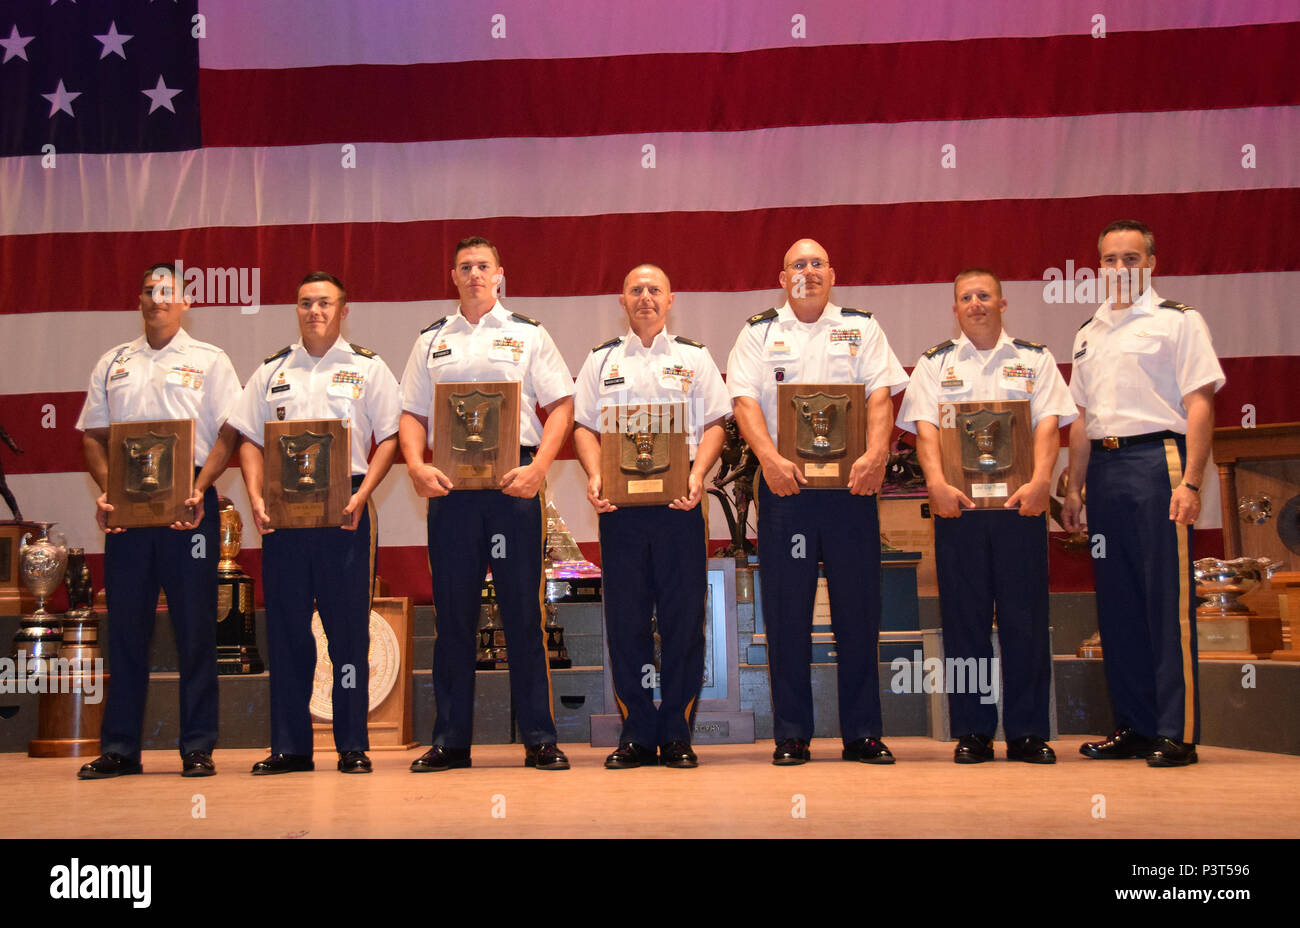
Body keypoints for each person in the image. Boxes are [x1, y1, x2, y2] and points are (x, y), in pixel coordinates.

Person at [726, 238, 908, 765]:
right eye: (797, 265)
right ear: (783, 278)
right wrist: (768, 460)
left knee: (858, 611)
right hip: (788, 492)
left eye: (816, 263)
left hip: (852, 491)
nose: (807, 271)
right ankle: (792, 734)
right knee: (787, 614)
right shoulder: (758, 331)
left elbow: (879, 395)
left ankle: (863, 733)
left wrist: (876, 454)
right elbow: (743, 402)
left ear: (832, 273)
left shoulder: (862, 327)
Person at [399, 236, 575, 771]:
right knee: (454, 617)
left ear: (500, 273)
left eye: (484, 266)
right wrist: (414, 464)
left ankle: (539, 737)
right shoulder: (431, 340)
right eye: (465, 267)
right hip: (450, 491)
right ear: (452, 275)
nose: (475, 274)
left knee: (523, 611)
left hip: (513, 483)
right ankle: (451, 740)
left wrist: (540, 466)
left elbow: (563, 404)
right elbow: (411, 414)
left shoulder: (528, 334)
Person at [897, 268, 1077, 764]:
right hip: (960, 510)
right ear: (954, 309)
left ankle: (1027, 732)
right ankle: (973, 731)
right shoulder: (936, 364)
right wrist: (935, 484)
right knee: (963, 622)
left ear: (1002, 303)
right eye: (965, 297)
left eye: (984, 295)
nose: (975, 303)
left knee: (1025, 619)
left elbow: (1047, 426)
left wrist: (1043, 481)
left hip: (1022, 507)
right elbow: (926, 429)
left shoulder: (1035, 360)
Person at [1062, 220, 1224, 768]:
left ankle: (1176, 731)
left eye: (1132, 259)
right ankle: (1132, 725)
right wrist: (1075, 489)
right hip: (1104, 471)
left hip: (1160, 462)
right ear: (1098, 266)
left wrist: (1191, 481)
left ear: (1151, 263)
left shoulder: (1179, 321)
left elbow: (1200, 403)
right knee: (1119, 604)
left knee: (1165, 603)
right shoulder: (1088, 332)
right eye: (1110, 259)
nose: (1121, 269)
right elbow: (1080, 419)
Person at [227, 271, 400, 775]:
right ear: (296, 309)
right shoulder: (270, 372)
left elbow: (389, 438)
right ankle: (290, 747)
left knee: (348, 634)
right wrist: (256, 498)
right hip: (283, 522)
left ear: (344, 310)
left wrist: (363, 494)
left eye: (325, 303)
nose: (315, 311)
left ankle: (352, 744)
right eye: (305, 303)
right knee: (285, 633)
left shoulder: (368, 369)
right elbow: (250, 441)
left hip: (345, 516)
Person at [75, 262, 242, 779]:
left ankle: (197, 746)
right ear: (140, 299)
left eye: (167, 291)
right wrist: (109, 494)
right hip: (129, 514)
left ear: (186, 301)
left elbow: (230, 434)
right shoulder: (113, 362)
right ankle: (121, 748)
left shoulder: (210, 361)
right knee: (126, 630)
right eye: (148, 290)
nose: (156, 299)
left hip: (188, 510)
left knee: (196, 630)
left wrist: (198, 489)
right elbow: (93, 437)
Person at [572, 264, 730, 769]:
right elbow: (583, 429)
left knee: (684, 622)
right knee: (627, 622)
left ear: (670, 299)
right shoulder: (600, 362)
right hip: (620, 512)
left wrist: (698, 473)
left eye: (654, 290)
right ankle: (637, 731)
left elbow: (713, 426)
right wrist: (595, 476)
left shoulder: (694, 357)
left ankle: (677, 732)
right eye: (636, 290)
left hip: (679, 508)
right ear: (622, 299)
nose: (645, 297)